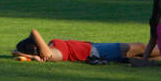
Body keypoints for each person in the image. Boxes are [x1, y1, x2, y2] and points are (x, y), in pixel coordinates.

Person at [13, 29, 152, 63]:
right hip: (96, 52)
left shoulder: (50, 48)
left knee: (140, 52)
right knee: (140, 48)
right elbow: (34, 32)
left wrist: (27, 55)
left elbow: (14, 52)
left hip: (94, 47)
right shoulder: (51, 54)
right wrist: (33, 56)